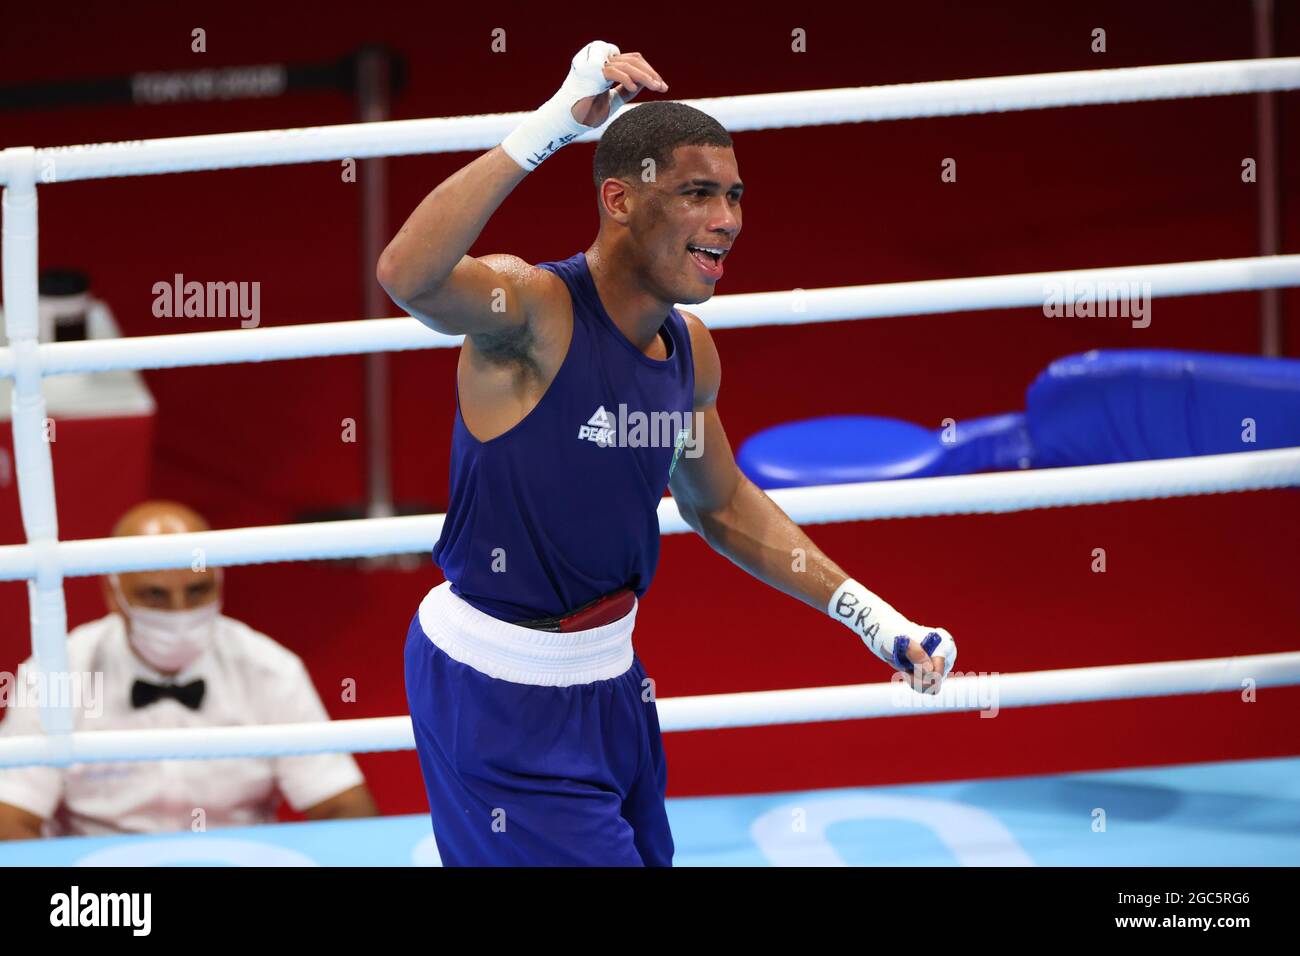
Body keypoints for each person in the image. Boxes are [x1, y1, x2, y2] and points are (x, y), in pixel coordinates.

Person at [379, 41, 957, 866]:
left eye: (733, 195)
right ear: (618, 198)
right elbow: (409, 274)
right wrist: (551, 126)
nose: (728, 219)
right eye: (696, 194)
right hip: (498, 691)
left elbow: (717, 502)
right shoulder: (533, 312)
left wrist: (870, 615)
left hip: (612, 685)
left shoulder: (687, 349)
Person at [0, 501, 376, 839]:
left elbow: (344, 807)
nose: (180, 611)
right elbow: (11, 818)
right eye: (155, 595)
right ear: (113, 592)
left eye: (197, 590)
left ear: (220, 583)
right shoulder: (58, 675)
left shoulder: (269, 668)